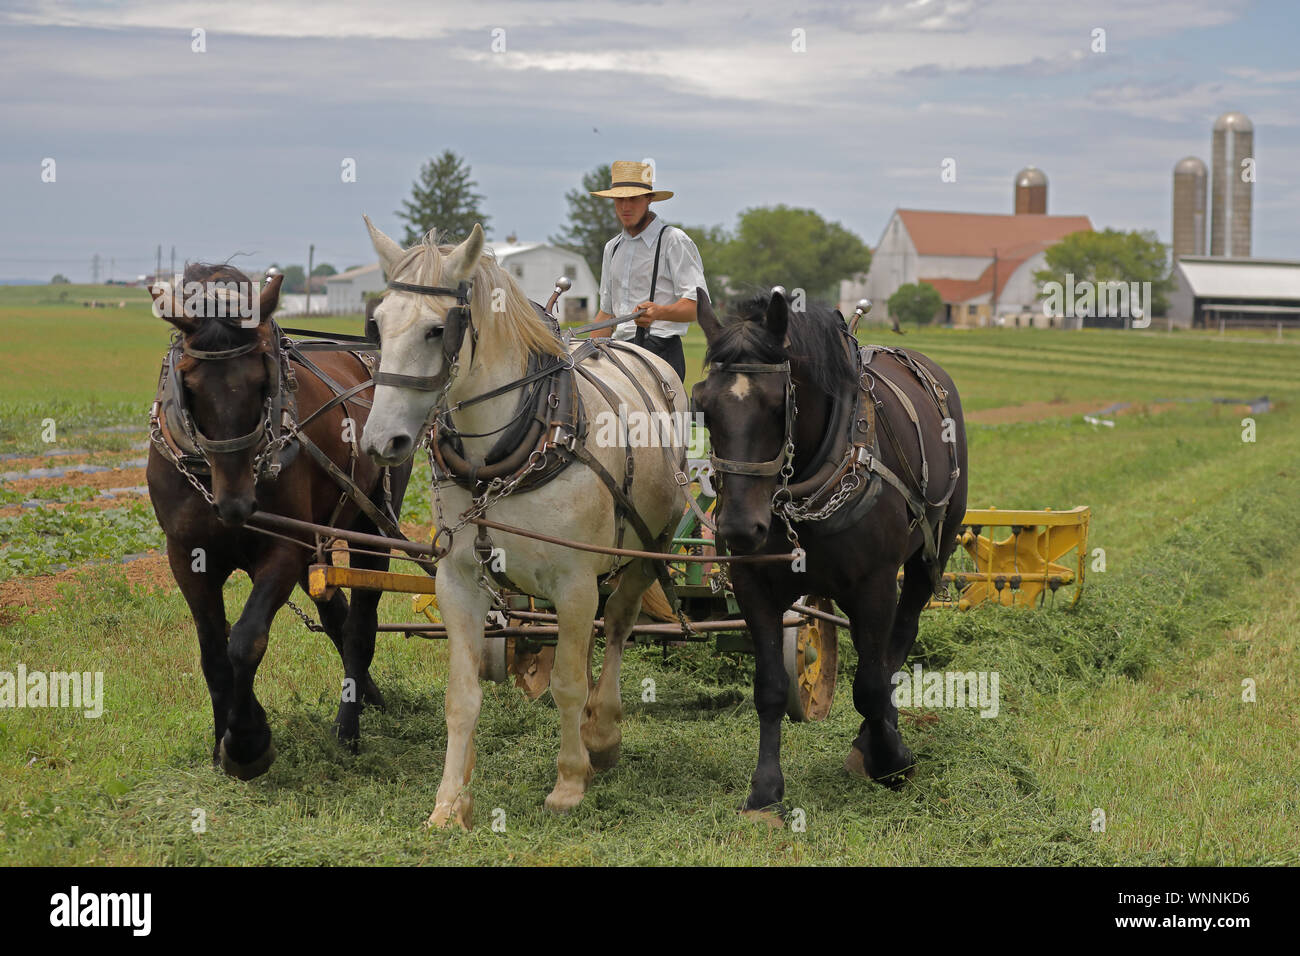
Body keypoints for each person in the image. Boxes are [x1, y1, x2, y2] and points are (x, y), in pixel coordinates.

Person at [588, 161, 708, 383]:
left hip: (660, 353)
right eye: (620, 199)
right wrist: (582, 352)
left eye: (633, 199)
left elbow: (698, 307)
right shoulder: (612, 248)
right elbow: (606, 314)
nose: (625, 206)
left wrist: (659, 312)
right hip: (616, 352)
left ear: (649, 199)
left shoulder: (673, 241)